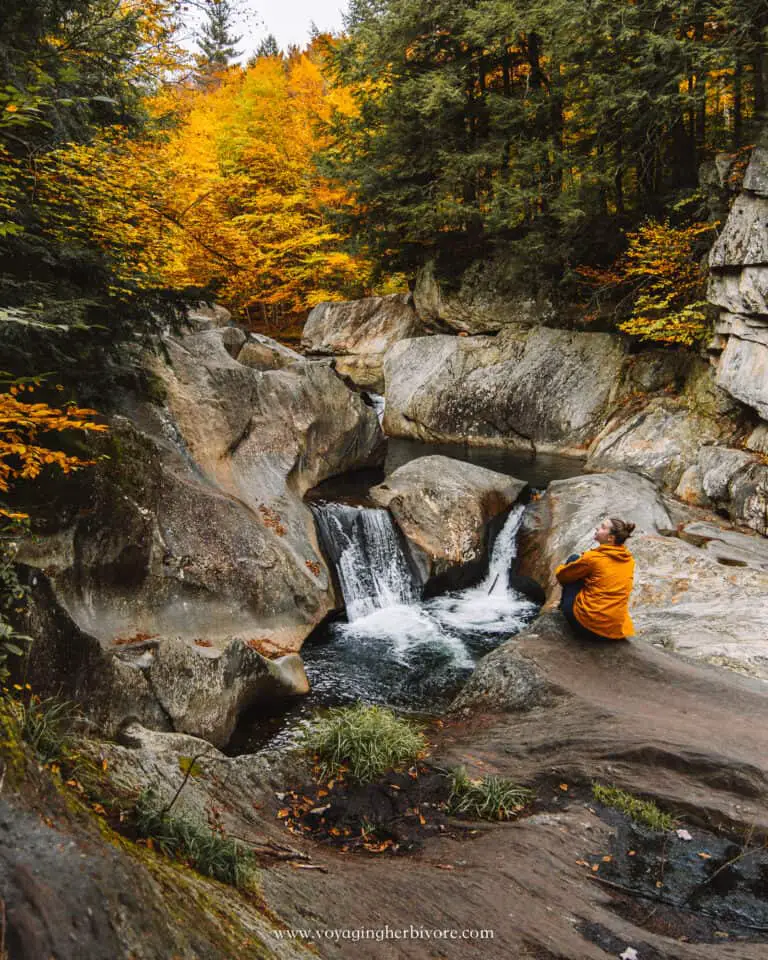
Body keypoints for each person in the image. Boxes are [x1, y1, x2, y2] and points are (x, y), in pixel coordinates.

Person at [554, 517, 636, 641]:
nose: (597, 528)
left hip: (589, 627)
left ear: (611, 538)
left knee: (573, 559)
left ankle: (562, 610)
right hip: (614, 629)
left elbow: (562, 576)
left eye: (603, 527)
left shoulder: (593, 558)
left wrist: (561, 567)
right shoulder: (628, 559)